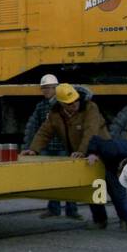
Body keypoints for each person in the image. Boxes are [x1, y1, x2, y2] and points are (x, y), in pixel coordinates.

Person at [21, 82, 111, 228]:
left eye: (75, 101)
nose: (74, 104)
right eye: (69, 103)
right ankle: (100, 220)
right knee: (93, 187)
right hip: (83, 156)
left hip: (102, 151)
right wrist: (34, 149)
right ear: (62, 103)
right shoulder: (56, 114)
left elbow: (91, 131)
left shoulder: (90, 107)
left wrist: (82, 151)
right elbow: (45, 132)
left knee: (114, 187)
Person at [22, 73, 82, 220]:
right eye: (44, 88)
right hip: (48, 148)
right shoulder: (41, 107)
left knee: (67, 180)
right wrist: (30, 147)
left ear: (57, 89)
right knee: (52, 180)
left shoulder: (63, 105)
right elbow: (34, 127)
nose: (47, 91)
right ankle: (53, 209)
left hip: (63, 148)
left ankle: (71, 210)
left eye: (50, 88)